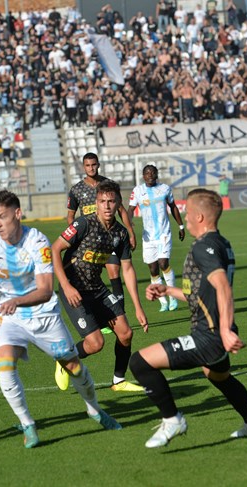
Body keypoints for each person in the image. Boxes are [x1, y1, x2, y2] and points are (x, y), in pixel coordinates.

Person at [0, 191, 122, 448]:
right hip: (7, 318)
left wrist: (17, 301)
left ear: (17, 213)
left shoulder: (37, 242)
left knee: (75, 368)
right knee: (5, 365)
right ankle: (28, 424)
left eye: (2, 217)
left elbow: (46, 290)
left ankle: (94, 410)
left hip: (43, 317)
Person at [129, 189, 247, 448]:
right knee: (218, 377)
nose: (185, 217)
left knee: (140, 363)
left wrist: (225, 330)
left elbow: (223, 288)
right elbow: (202, 292)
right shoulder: (221, 243)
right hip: (215, 332)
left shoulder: (204, 246)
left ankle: (172, 420)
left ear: (201, 216)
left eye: (188, 213)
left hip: (210, 335)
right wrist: (168, 290)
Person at [52, 180, 149, 393]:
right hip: (74, 291)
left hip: (97, 289)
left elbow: (128, 270)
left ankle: (118, 380)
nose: (106, 206)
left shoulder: (120, 234)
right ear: (96, 202)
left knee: (125, 334)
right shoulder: (83, 224)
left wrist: (138, 307)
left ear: (118, 204)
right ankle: (64, 360)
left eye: (111, 201)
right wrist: (66, 286)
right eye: (102, 201)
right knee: (96, 344)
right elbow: (55, 249)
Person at [67, 153, 137, 314]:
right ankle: (99, 316)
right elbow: (70, 215)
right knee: (90, 278)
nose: (91, 168)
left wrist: (131, 232)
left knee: (114, 271)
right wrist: (76, 235)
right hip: (89, 240)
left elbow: (121, 210)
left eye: (94, 165)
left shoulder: (108, 186)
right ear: (83, 167)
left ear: (98, 165)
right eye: (87, 165)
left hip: (110, 236)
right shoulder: (76, 190)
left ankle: (120, 313)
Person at [128, 165, 185, 312]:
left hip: (164, 233)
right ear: (143, 175)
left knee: (163, 263)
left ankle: (172, 297)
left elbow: (173, 207)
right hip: (148, 237)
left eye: (153, 173)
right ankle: (163, 301)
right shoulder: (138, 191)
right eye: (147, 173)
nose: (150, 175)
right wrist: (129, 225)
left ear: (157, 174)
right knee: (153, 269)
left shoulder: (165, 188)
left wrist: (180, 226)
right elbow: (129, 210)